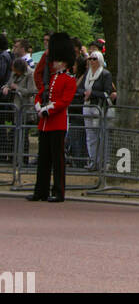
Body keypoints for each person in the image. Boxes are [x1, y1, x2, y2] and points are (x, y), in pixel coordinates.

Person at [29, 33, 77, 202]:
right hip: (44, 123)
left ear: (63, 62)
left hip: (57, 122)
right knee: (43, 159)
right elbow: (41, 93)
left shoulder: (69, 80)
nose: (53, 63)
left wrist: (48, 109)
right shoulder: (52, 78)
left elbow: (64, 101)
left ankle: (58, 191)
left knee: (58, 160)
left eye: (56, 60)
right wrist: (38, 106)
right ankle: (40, 190)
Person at [82, 48, 113, 170]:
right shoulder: (87, 74)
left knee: (102, 135)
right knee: (90, 135)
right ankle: (93, 160)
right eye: (90, 58)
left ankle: (104, 161)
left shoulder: (105, 74)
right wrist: (85, 93)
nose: (91, 61)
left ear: (99, 60)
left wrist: (92, 93)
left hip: (99, 108)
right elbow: (80, 88)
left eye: (94, 59)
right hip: (87, 106)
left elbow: (107, 92)